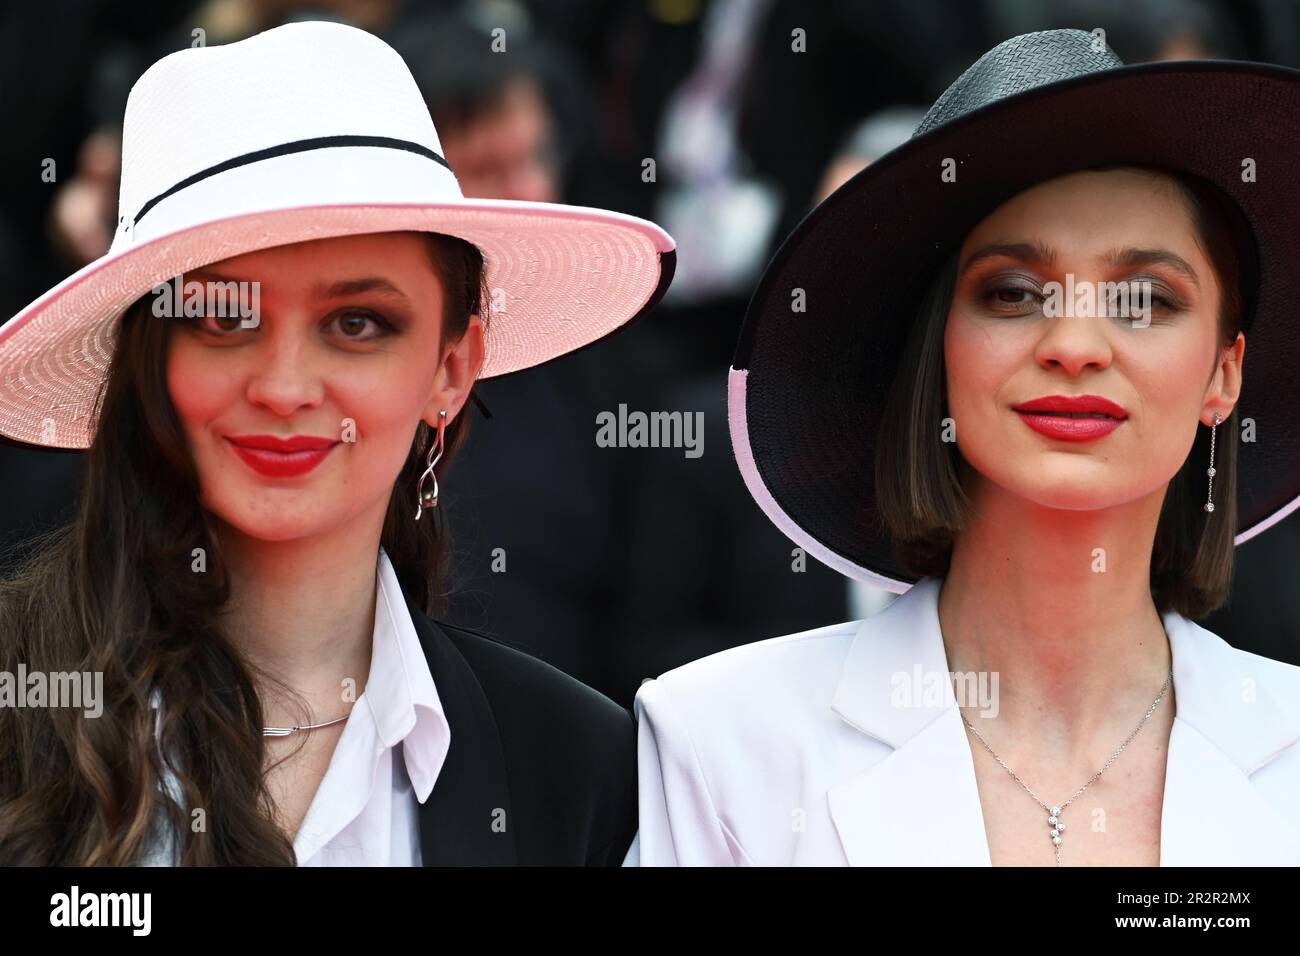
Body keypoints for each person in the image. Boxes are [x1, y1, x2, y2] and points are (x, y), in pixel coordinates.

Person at [0, 20, 675, 866]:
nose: (285, 386)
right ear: (149, 354)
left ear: (452, 367)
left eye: (357, 323)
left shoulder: (577, 766)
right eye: (222, 317)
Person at [626, 30, 1300, 866]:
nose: (1076, 344)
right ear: (936, 353)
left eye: (1146, 298)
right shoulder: (722, 743)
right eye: (1014, 292)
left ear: (1224, 374)